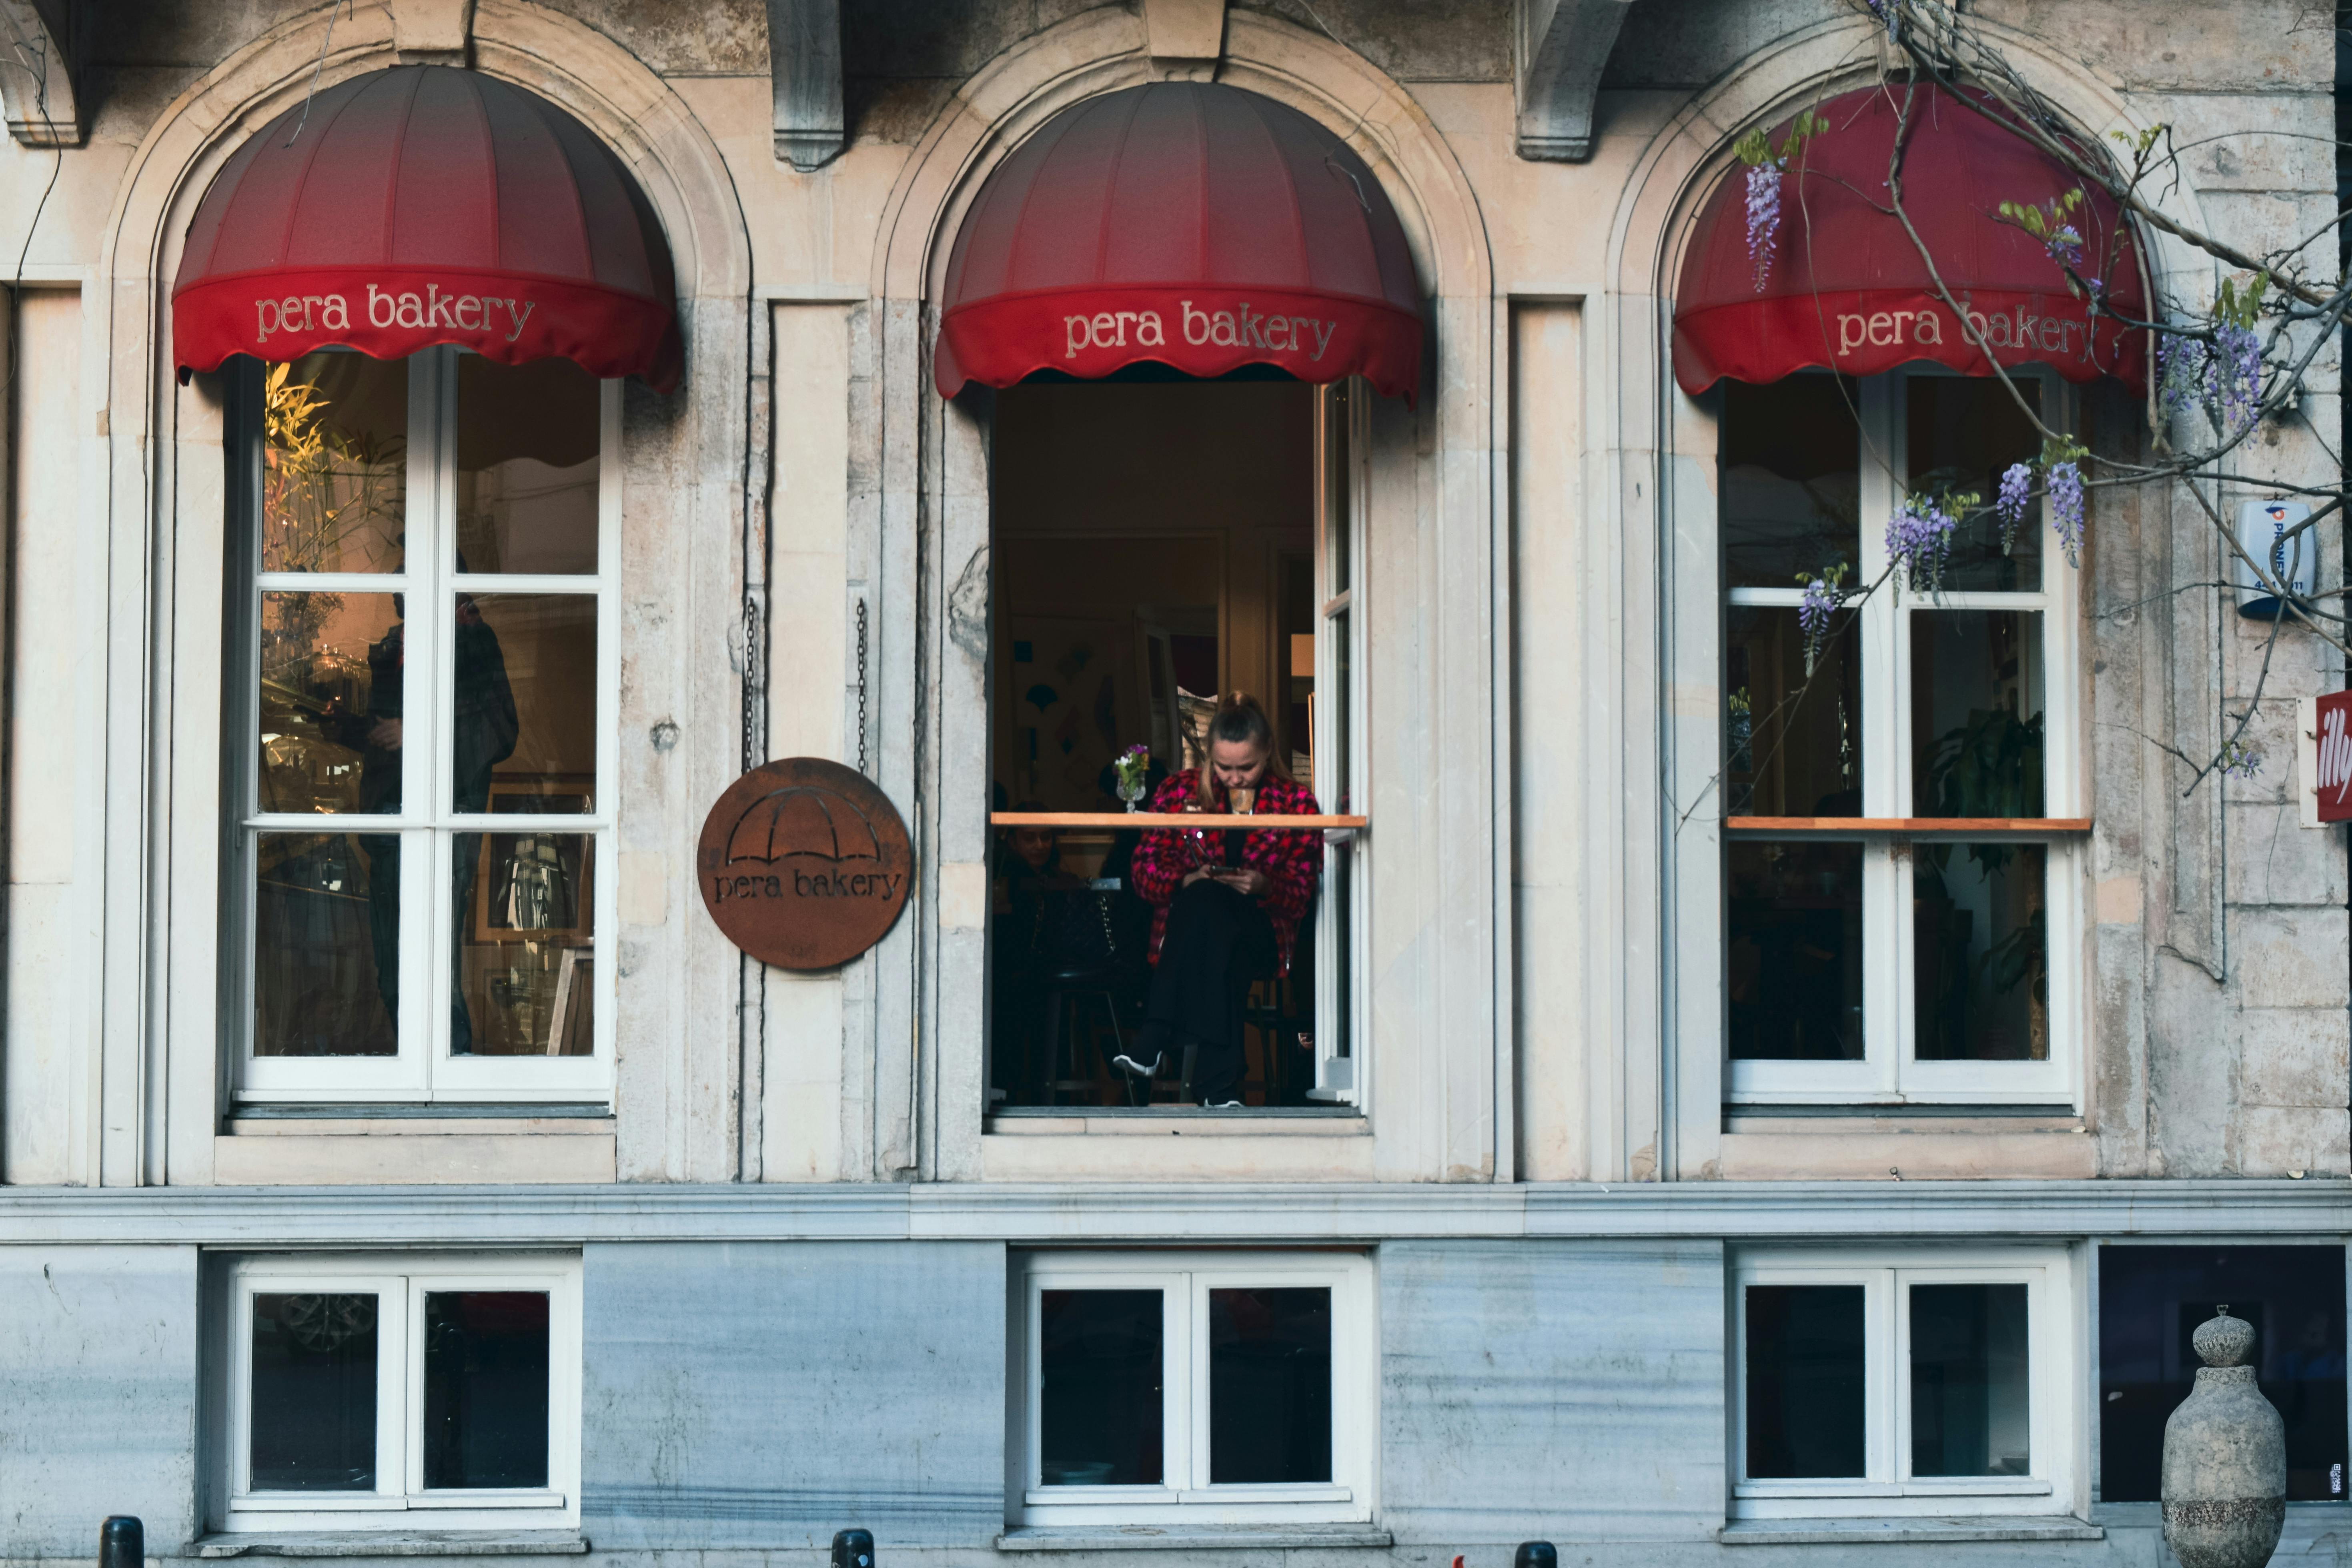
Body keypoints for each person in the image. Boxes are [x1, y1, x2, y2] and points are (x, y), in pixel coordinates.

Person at [1116, 692, 1320, 1106]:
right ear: (1208, 755)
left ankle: (1154, 1036)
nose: (1234, 778)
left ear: (1266, 754)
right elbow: (1142, 875)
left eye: (1247, 767)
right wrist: (1185, 879)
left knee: (1211, 908)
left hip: (1261, 934)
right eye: (1224, 767)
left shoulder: (1295, 804)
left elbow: (1301, 896)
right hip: (1202, 943)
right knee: (1210, 910)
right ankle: (1219, 1089)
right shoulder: (1176, 793)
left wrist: (1265, 886)